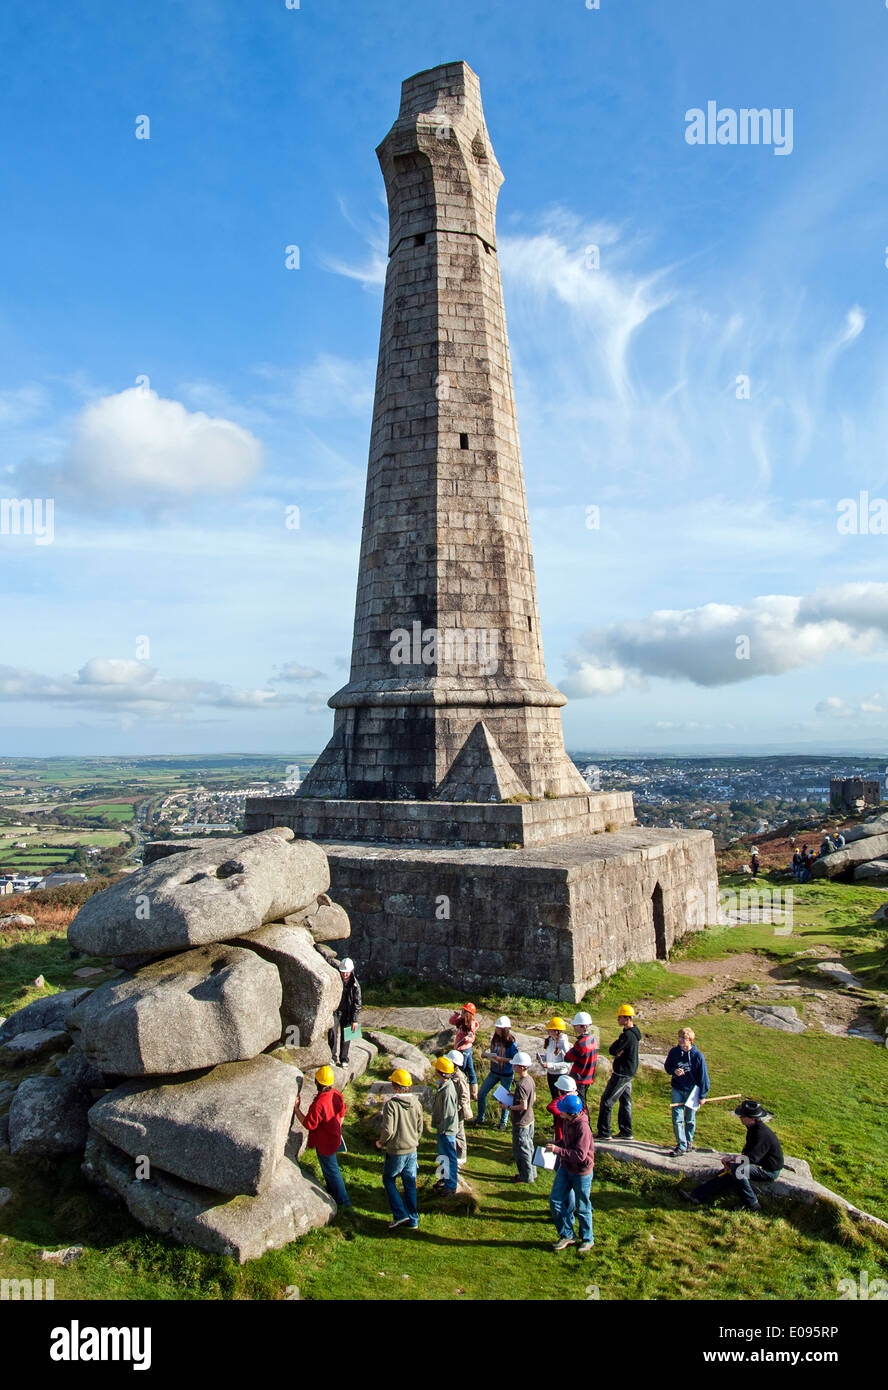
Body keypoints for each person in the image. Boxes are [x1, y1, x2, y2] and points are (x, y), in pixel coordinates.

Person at [682, 1100, 784, 1213]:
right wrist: (732, 1162)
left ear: (752, 1118)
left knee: (737, 1169)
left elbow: (752, 1158)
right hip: (759, 1164)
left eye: (743, 1115)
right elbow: (747, 1151)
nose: (740, 1117)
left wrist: (732, 1159)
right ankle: (696, 1195)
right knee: (731, 1170)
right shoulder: (752, 1128)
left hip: (768, 1170)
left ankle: (752, 1204)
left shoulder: (761, 1134)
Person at [294, 1066, 350, 1209]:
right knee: (330, 1168)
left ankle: (343, 1201)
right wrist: (337, 1128)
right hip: (334, 1138)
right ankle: (333, 1191)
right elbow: (342, 1113)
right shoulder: (336, 1094)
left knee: (331, 1169)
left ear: (317, 1082)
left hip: (325, 1143)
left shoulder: (320, 1103)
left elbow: (309, 1124)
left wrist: (296, 1109)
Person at [545, 1094, 595, 1254]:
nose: (560, 1113)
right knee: (555, 1200)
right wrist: (556, 1144)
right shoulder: (567, 1121)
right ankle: (567, 1234)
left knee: (583, 1207)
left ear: (571, 1113)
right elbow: (567, 1141)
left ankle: (588, 1239)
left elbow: (580, 1156)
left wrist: (557, 1150)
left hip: (581, 1172)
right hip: (566, 1167)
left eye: (563, 1111)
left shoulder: (583, 1128)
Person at [376, 1068, 424, 1231]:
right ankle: (413, 1219)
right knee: (409, 1183)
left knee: (388, 1179)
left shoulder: (391, 1105)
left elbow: (388, 1130)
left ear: (394, 1086)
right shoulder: (416, 1102)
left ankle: (399, 1214)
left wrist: (381, 1143)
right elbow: (420, 1127)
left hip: (396, 1151)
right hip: (412, 1150)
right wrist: (415, 1141)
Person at [596, 1004, 641, 1141]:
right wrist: (618, 1051)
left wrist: (618, 1051)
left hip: (622, 1073)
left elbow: (612, 1049)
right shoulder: (634, 1033)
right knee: (625, 1101)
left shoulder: (627, 1036)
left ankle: (605, 1132)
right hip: (629, 1072)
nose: (618, 1019)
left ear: (627, 1018)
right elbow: (616, 1050)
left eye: (620, 1017)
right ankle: (626, 1131)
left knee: (606, 1101)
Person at [664, 1027, 710, 1155]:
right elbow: (667, 1066)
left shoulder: (698, 1056)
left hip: (692, 1092)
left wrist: (702, 1096)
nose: (680, 1040)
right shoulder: (674, 1052)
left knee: (690, 1119)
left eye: (683, 1038)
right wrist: (674, 1070)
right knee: (677, 1118)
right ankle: (681, 1145)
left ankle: (689, 1142)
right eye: (679, 1037)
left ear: (690, 1040)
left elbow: (703, 1077)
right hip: (677, 1089)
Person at [474, 1015, 519, 1129]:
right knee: (481, 1094)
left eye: (498, 1028)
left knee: (504, 1098)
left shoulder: (512, 1043)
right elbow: (492, 1051)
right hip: (493, 1072)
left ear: (504, 1029)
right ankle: (480, 1118)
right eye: (496, 1027)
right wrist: (486, 1055)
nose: (496, 1029)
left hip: (506, 1075)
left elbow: (515, 1060)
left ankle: (503, 1122)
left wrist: (501, 1059)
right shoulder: (494, 1039)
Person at [431, 1056, 460, 1192]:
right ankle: (444, 1178)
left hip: (447, 1129)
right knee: (443, 1156)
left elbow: (448, 1114)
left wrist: (443, 1129)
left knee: (449, 1157)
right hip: (443, 1128)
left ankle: (450, 1186)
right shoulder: (443, 1085)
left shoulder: (447, 1090)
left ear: (440, 1072)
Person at [509, 1051, 537, 1183]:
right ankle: (533, 1172)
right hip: (530, 1119)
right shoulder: (530, 1080)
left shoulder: (521, 1085)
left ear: (521, 1067)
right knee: (529, 1146)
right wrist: (514, 1095)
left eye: (515, 1065)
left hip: (521, 1121)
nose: (513, 1067)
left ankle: (526, 1176)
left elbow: (523, 1106)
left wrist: (508, 1107)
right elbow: (533, 1098)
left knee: (522, 1151)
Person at [328, 957, 362, 1067]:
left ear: (351, 971)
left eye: (347, 972)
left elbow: (357, 1003)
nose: (345, 975)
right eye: (343, 972)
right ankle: (332, 1057)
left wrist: (355, 1020)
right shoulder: (337, 974)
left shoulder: (355, 985)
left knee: (347, 1035)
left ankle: (344, 1059)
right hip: (336, 1011)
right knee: (332, 1033)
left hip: (348, 1013)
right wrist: (316, 947)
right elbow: (329, 960)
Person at [563, 1011, 599, 1110]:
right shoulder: (593, 1039)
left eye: (576, 1025)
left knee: (580, 1105)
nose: (574, 1027)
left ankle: (584, 1124)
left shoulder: (580, 1043)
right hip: (588, 1077)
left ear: (583, 1026)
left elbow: (568, 1058)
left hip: (579, 1078)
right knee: (582, 1102)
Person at [446, 1049, 473, 1168]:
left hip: (458, 1110)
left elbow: (465, 1096)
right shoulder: (451, 1074)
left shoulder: (460, 1077)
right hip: (452, 1108)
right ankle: (453, 1153)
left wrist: (458, 1107)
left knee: (459, 1133)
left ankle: (461, 1157)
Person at [448, 1002, 480, 1100]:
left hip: (465, 1050)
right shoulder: (461, 1020)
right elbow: (451, 1021)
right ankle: (471, 1093)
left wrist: (467, 1040)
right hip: (460, 1049)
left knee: (463, 1070)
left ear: (468, 1013)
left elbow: (472, 1038)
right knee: (468, 1070)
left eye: (464, 1011)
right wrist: (456, 1015)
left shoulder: (471, 1023)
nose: (462, 1012)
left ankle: (469, 1092)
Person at [537, 1015, 571, 1099]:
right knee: (554, 1099)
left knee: (560, 1099)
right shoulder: (551, 1040)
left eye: (550, 1029)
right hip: (551, 1074)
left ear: (556, 1031)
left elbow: (567, 1064)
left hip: (560, 1075)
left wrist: (550, 1065)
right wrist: (542, 1058)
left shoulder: (563, 1043)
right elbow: (551, 1056)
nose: (547, 1031)